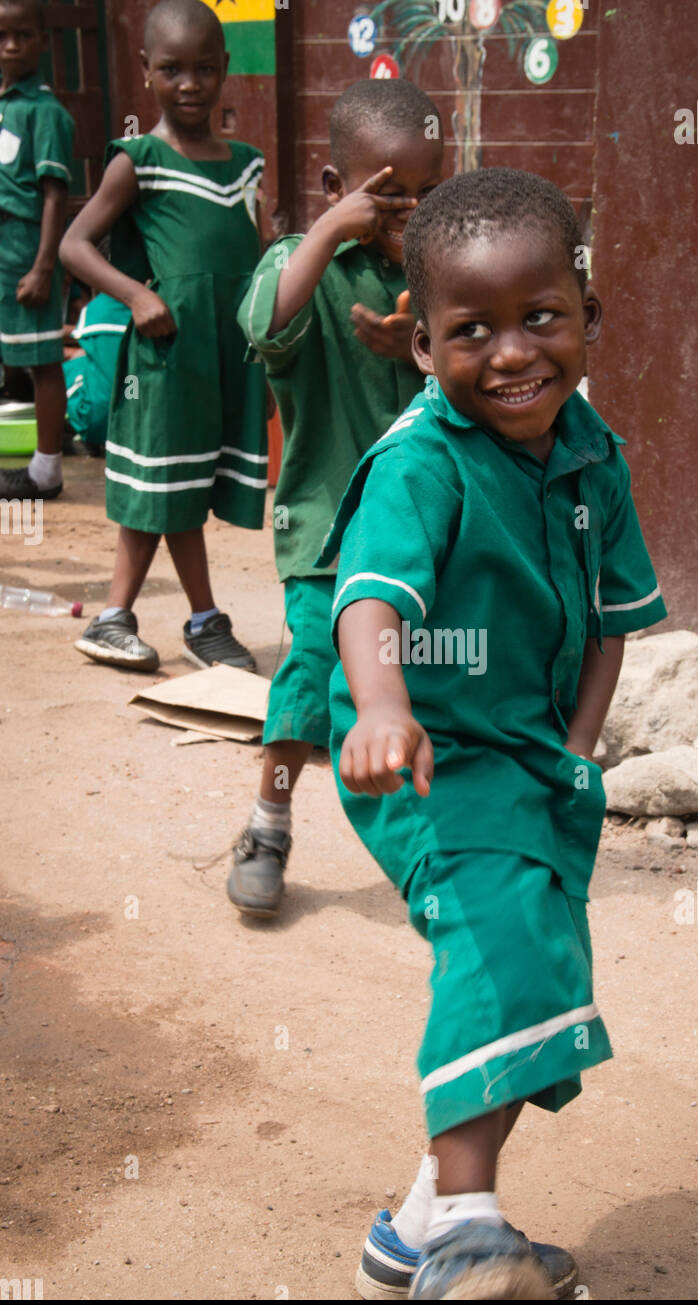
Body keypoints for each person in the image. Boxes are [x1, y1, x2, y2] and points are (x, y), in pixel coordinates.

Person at [321, 168, 668, 1300]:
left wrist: (575, 749)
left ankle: (416, 1223)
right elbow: (369, 602)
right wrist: (382, 706)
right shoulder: (421, 464)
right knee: (498, 940)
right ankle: (470, 1230)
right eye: (470, 330)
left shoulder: (591, 455)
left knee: (541, 971)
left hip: (529, 756)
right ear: (422, 347)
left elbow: (611, 625)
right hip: (422, 750)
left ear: (586, 320)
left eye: (540, 319)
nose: (512, 352)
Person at [226, 78, 443, 915]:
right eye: (390, 194)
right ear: (336, 186)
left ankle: (446, 844)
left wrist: (416, 348)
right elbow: (263, 327)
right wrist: (324, 234)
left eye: (430, 192)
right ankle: (269, 818)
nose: (412, 212)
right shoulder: (302, 263)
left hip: (426, 532)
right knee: (312, 670)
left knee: (439, 677)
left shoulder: (440, 268)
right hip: (327, 532)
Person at [60, 0, 267, 673]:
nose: (189, 83)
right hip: (166, 356)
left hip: (223, 357)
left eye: (204, 68)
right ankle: (201, 622)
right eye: (172, 68)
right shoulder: (138, 159)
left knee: (177, 486)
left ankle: (118, 618)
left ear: (224, 70)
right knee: (167, 486)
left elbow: (257, 261)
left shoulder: (245, 166)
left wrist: (264, 354)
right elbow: (75, 244)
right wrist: (137, 295)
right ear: (145, 71)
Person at [0, 0, 74, 502]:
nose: (10, 46)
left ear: (42, 42)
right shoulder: (4, 105)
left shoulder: (44, 113)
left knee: (42, 359)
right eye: (2, 35)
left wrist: (44, 266)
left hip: (28, 252)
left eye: (22, 36)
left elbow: (53, 193)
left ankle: (47, 470)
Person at [62, 291, 131, 452]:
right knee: (131, 380)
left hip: (96, 426)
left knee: (59, 370)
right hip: (140, 424)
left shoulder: (102, 308)